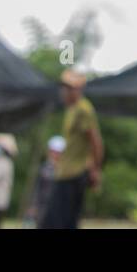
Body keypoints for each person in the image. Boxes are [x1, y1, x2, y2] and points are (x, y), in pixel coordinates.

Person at [40, 70, 102, 229]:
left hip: (74, 174)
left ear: (78, 90)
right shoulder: (72, 109)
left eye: (69, 88)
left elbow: (95, 141)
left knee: (59, 221)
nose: (65, 92)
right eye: (64, 88)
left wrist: (95, 169)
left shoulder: (83, 109)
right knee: (57, 221)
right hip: (64, 171)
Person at [26, 135, 66, 227]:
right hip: (43, 207)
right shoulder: (44, 169)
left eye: (58, 152)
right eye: (53, 151)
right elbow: (37, 189)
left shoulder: (66, 171)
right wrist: (33, 206)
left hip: (60, 207)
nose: (55, 154)